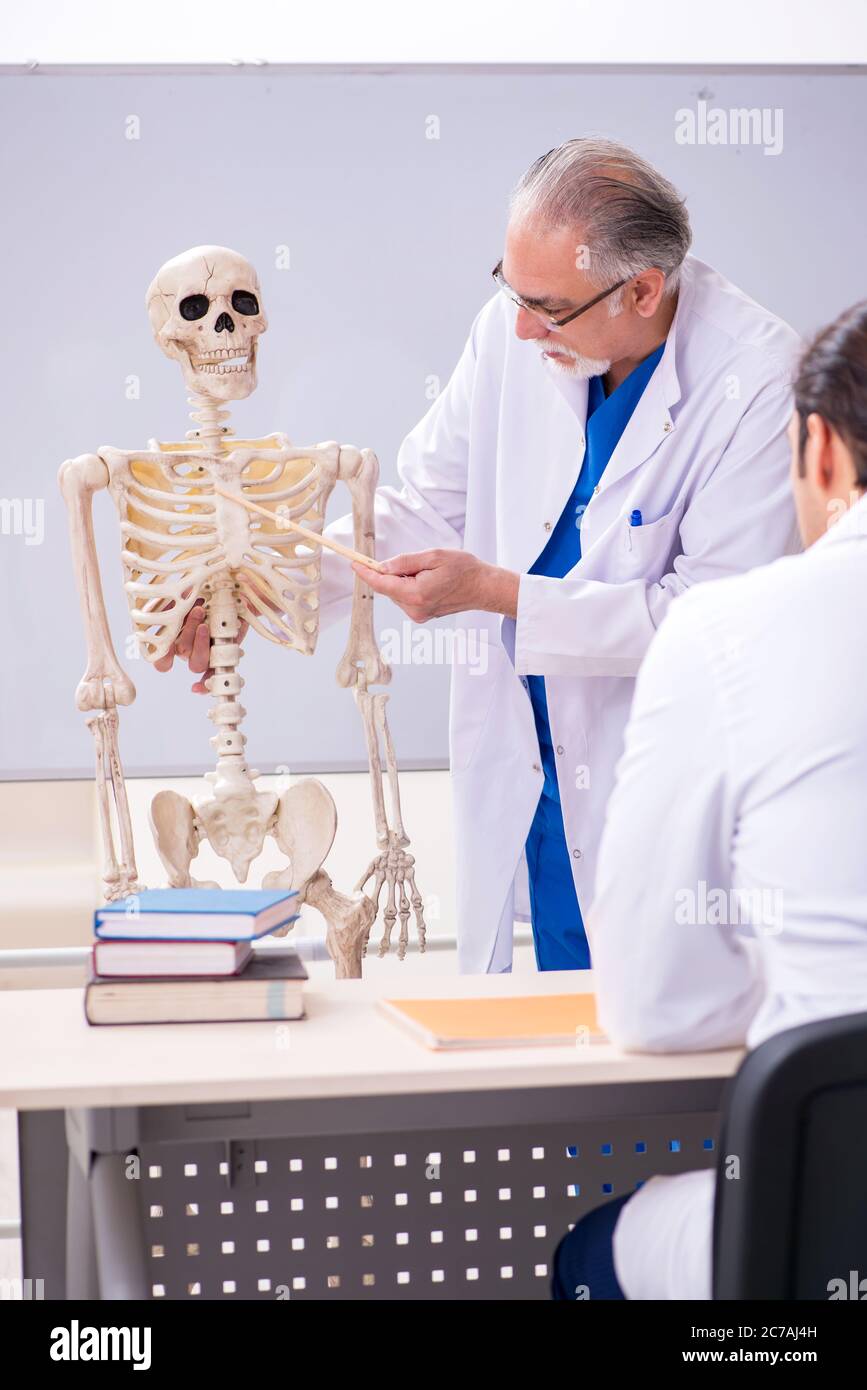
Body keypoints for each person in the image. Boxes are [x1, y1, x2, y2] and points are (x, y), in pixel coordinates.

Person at [161, 137, 801, 975]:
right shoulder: (514, 333)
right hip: (524, 762)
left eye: (549, 306)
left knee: (654, 1050)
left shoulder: (754, 379)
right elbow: (416, 509)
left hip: (657, 783)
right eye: (510, 290)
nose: (523, 325)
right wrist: (249, 594)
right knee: (534, 1039)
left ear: (642, 290)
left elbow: (715, 620)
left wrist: (501, 595)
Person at [552, 300, 867, 1300]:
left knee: (589, 1258)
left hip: (835, 1244)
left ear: (819, 450)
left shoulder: (731, 631)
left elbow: (652, 1005)